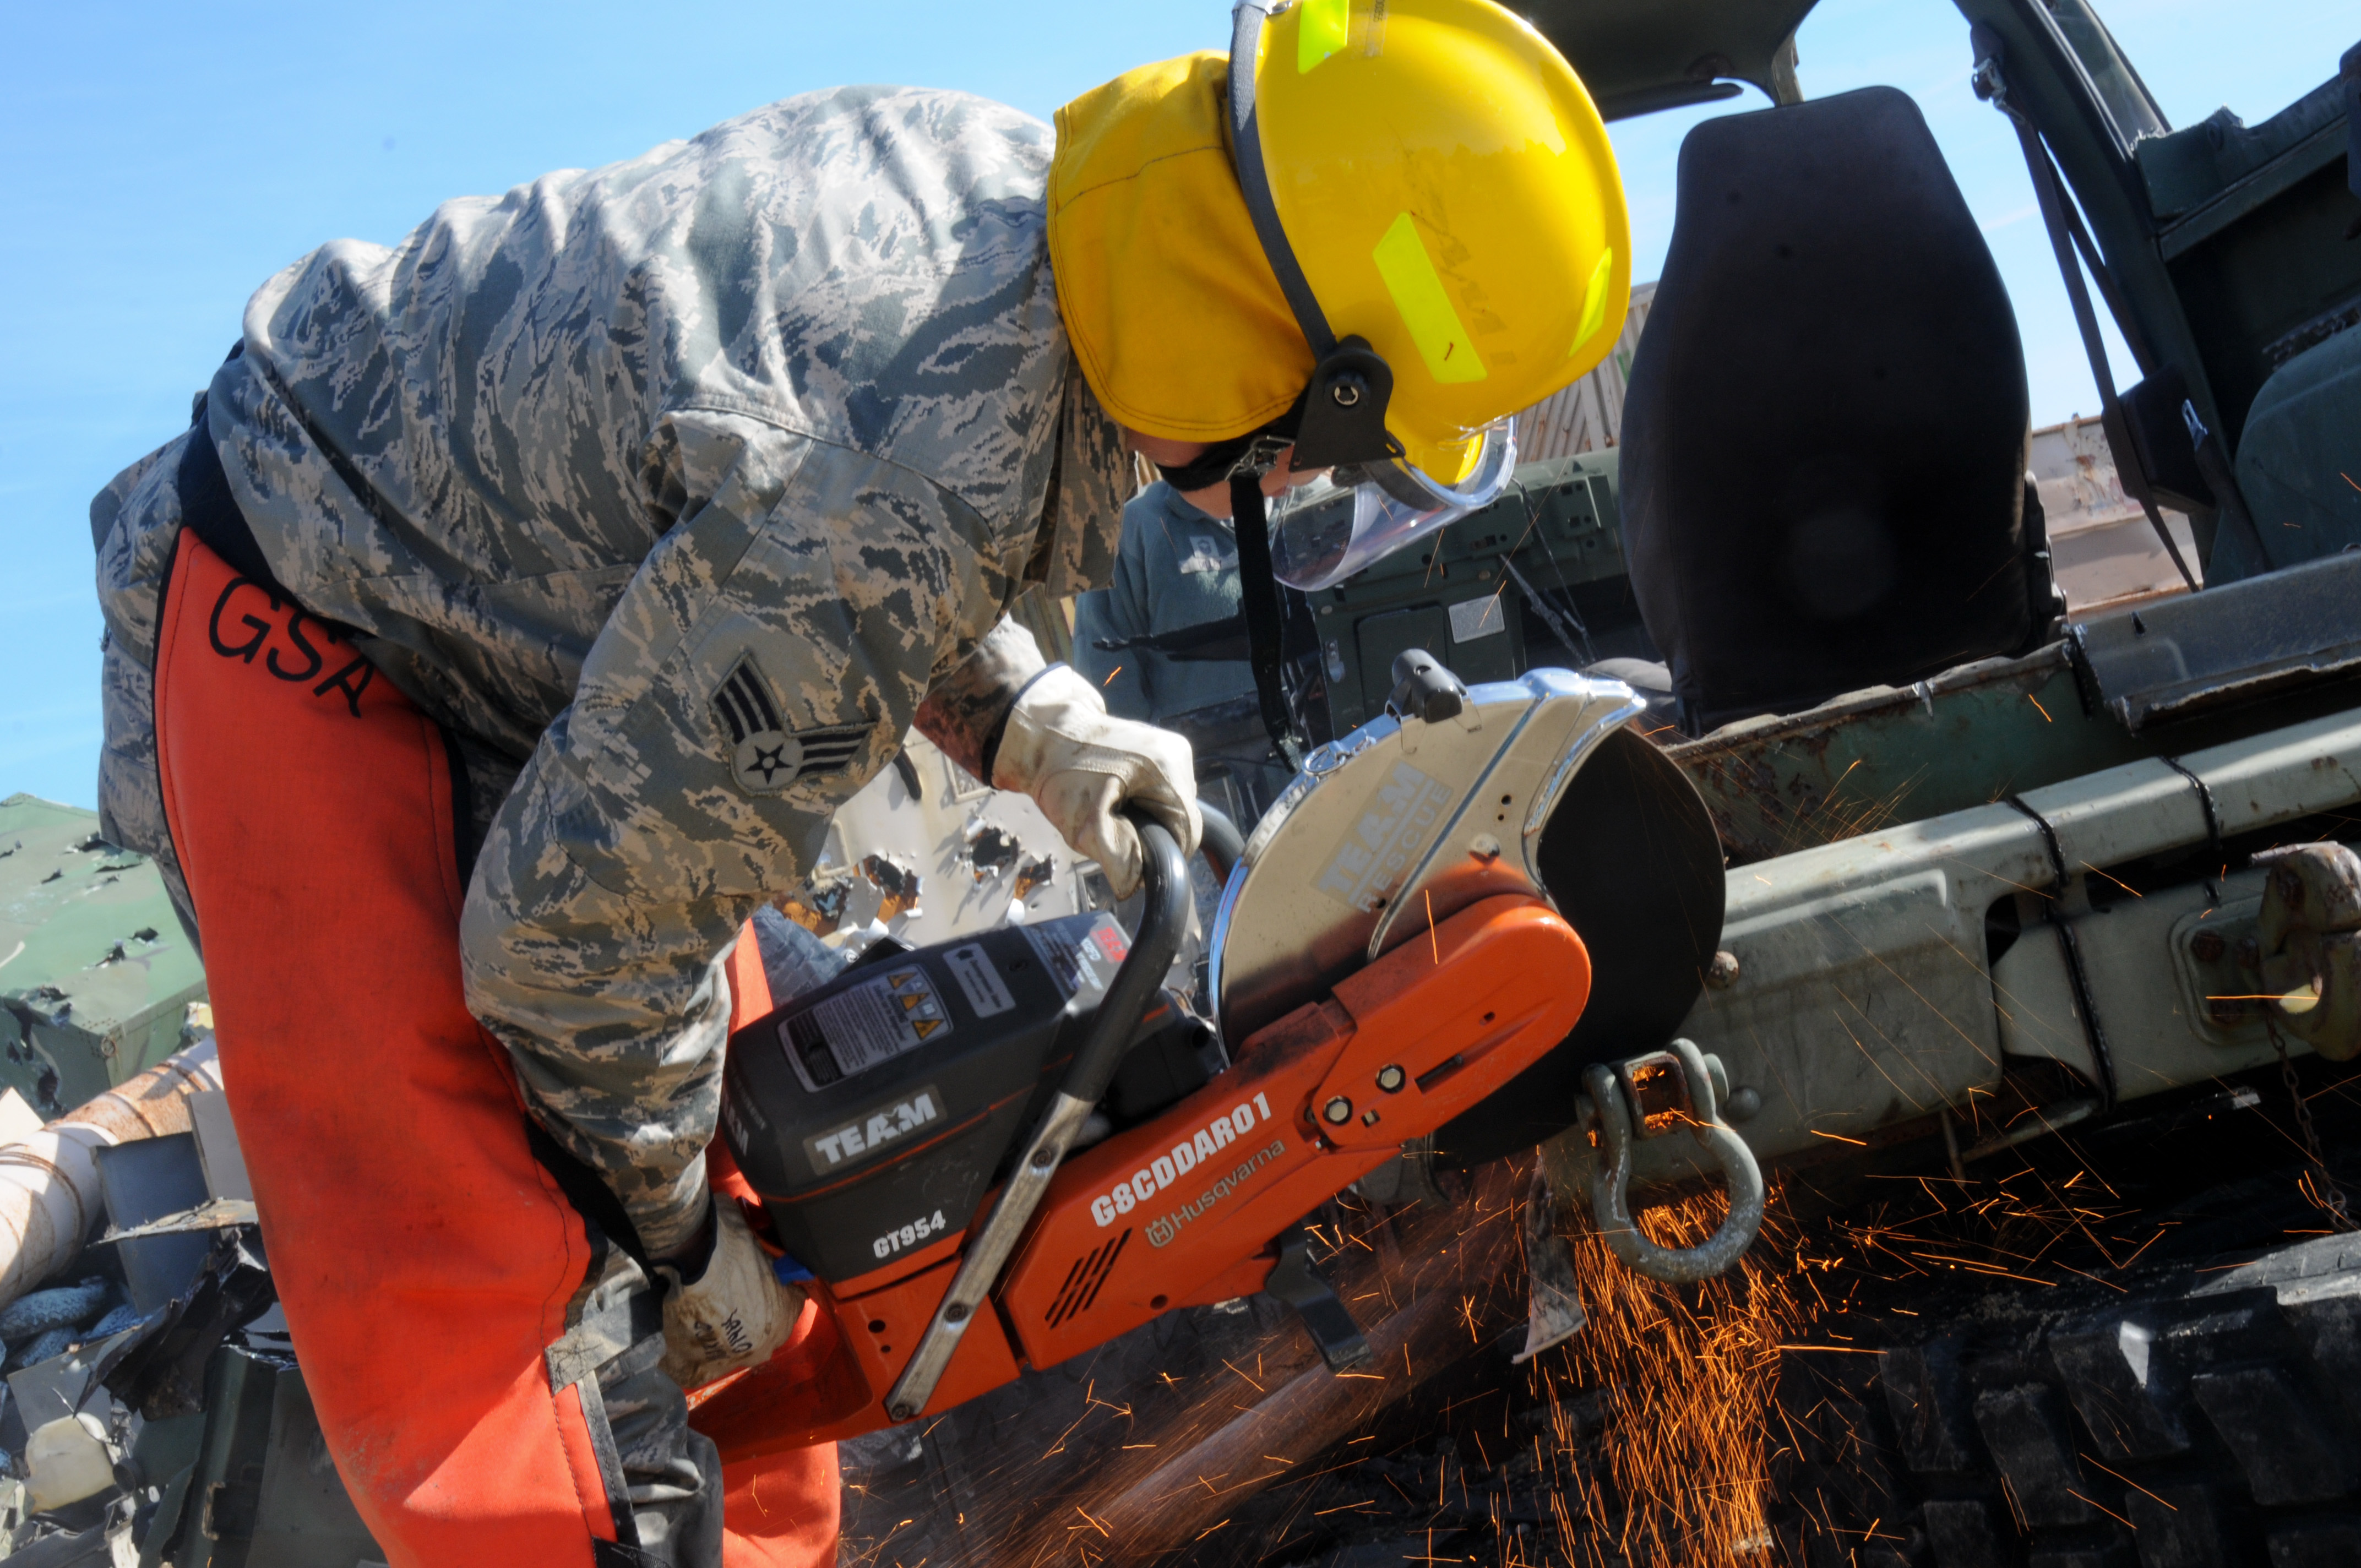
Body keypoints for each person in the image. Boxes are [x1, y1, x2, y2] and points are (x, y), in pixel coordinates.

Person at [85, 2, 1629, 1562]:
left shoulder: (1050, 211)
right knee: (476, 1285)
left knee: (779, 1167)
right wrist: (683, 1248)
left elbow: (823, 522)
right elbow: (574, 957)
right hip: (318, 618)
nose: (1286, 481)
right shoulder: (890, 469)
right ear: (1267, 349)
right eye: (1311, 453)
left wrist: (1028, 715)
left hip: (560, 632)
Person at [1073, 465, 1312, 831]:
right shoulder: (1137, 530)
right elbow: (1107, 684)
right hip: (1212, 810)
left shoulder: (1320, 500)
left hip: (1332, 774)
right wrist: (1148, 809)